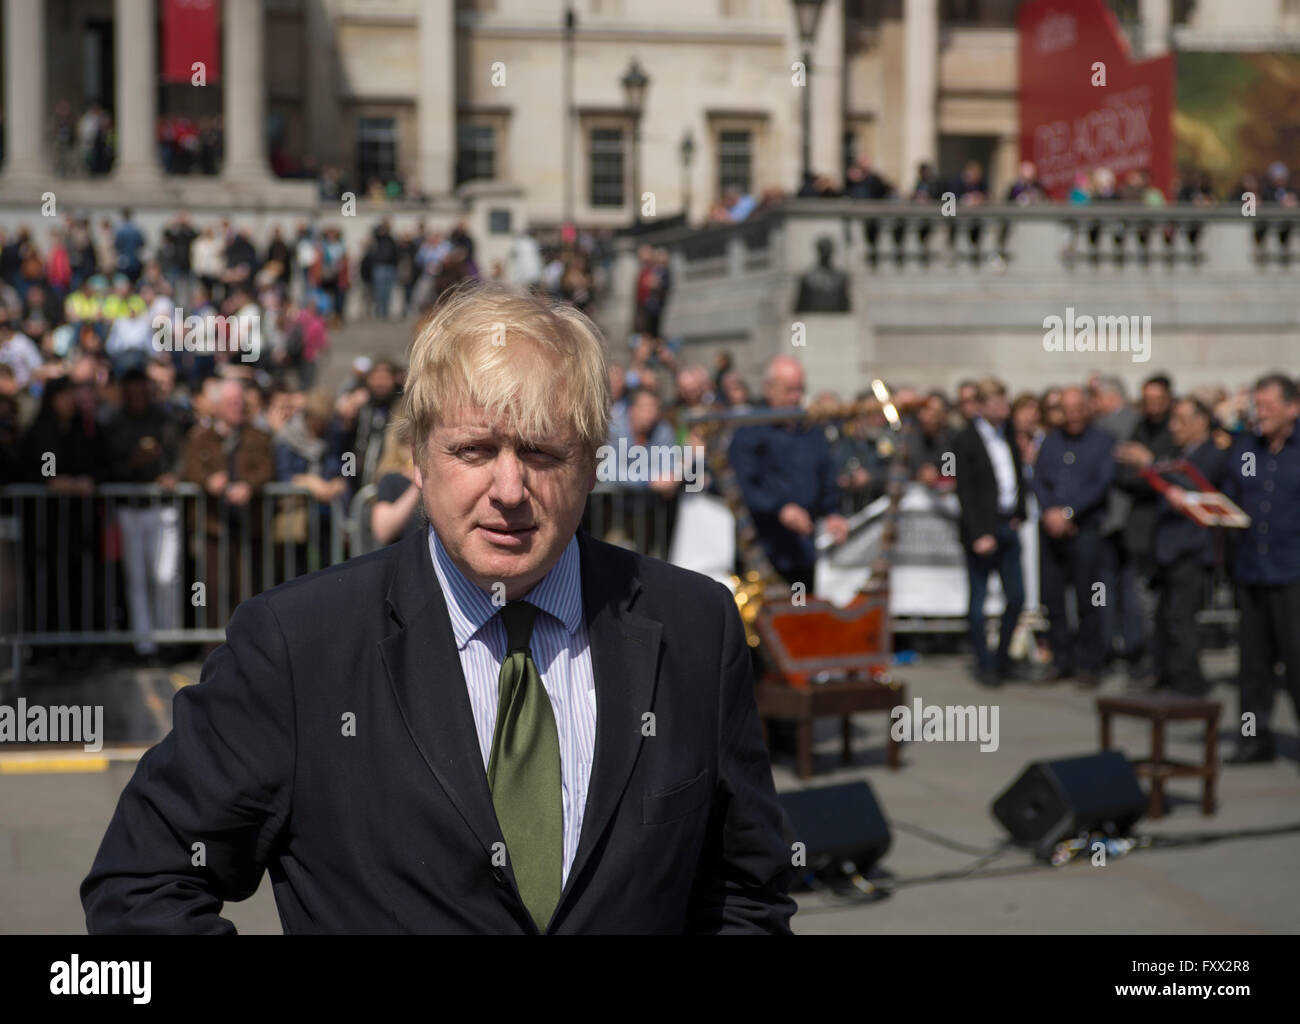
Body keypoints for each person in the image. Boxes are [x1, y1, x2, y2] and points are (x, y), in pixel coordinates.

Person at [82, 279, 796, 934]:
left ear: (592, 462)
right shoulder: (300, 646)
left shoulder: (695, 627)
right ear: (419, 459)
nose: (510, 488)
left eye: (543, 452)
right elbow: (142, 885)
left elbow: (746, 894)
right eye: (475, 449)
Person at [1118, 398, 1227, 695]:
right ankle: (1164, 671)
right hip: (1167, 549)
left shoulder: (1213, 455)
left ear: (1200, 421)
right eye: (1173, 419)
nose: (1173, 426)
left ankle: (1189, 680)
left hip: (1193, 549)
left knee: (1183, 619)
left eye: (1181, 420)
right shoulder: (1175, 452)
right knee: (1164, 617)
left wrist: (1152, 464)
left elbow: (1203, 492)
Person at [1220, 373, 1300, 764]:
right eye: (1257, 406)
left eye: (1269, 407)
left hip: (1293, 572)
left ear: (1293, 407)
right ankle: (1255, 738)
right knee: (1252, 666)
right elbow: (1233, 491)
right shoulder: (1247, 448)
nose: (1261, 414)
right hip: (1251, 567)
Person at [728, 355, 849, 593]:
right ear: (769, 389)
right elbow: (743, 486)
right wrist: (780, 508)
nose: (795, 398)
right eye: (788, 390)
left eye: (799, 390)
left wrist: (833, 512)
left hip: (802, 552)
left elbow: (826, 476)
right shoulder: (748, 431)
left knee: (800, 618)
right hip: (760, 549)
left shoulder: (811, 431)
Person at [1032, 386, 1116, 688]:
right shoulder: (1052, 441)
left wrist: (1069, 512)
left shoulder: (1103, 441)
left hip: (1085, 529)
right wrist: (1051, 511)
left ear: (1087, 408)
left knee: (1088, 598)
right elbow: (1039, 479)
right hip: (1052, 529)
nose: (1073, 415)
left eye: (1078, 408)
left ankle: (1090, 663)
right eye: (1066, 409)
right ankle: (1061, 659)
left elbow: (1100, 483)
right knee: (1052, 598)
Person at [953, 378, 1028, 687]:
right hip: (983, 530)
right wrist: (978, 533)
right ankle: (985, 663)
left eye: (1005, 403)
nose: (1004, 409)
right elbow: (966, 492)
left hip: (1007, 523)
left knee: (1017, 596)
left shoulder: (1007, 435)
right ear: (981, 406)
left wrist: (1019, 513)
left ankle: (1002, 657)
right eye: (996, 404)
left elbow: (1017, 477)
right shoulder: (966, 439)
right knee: (979, 601)